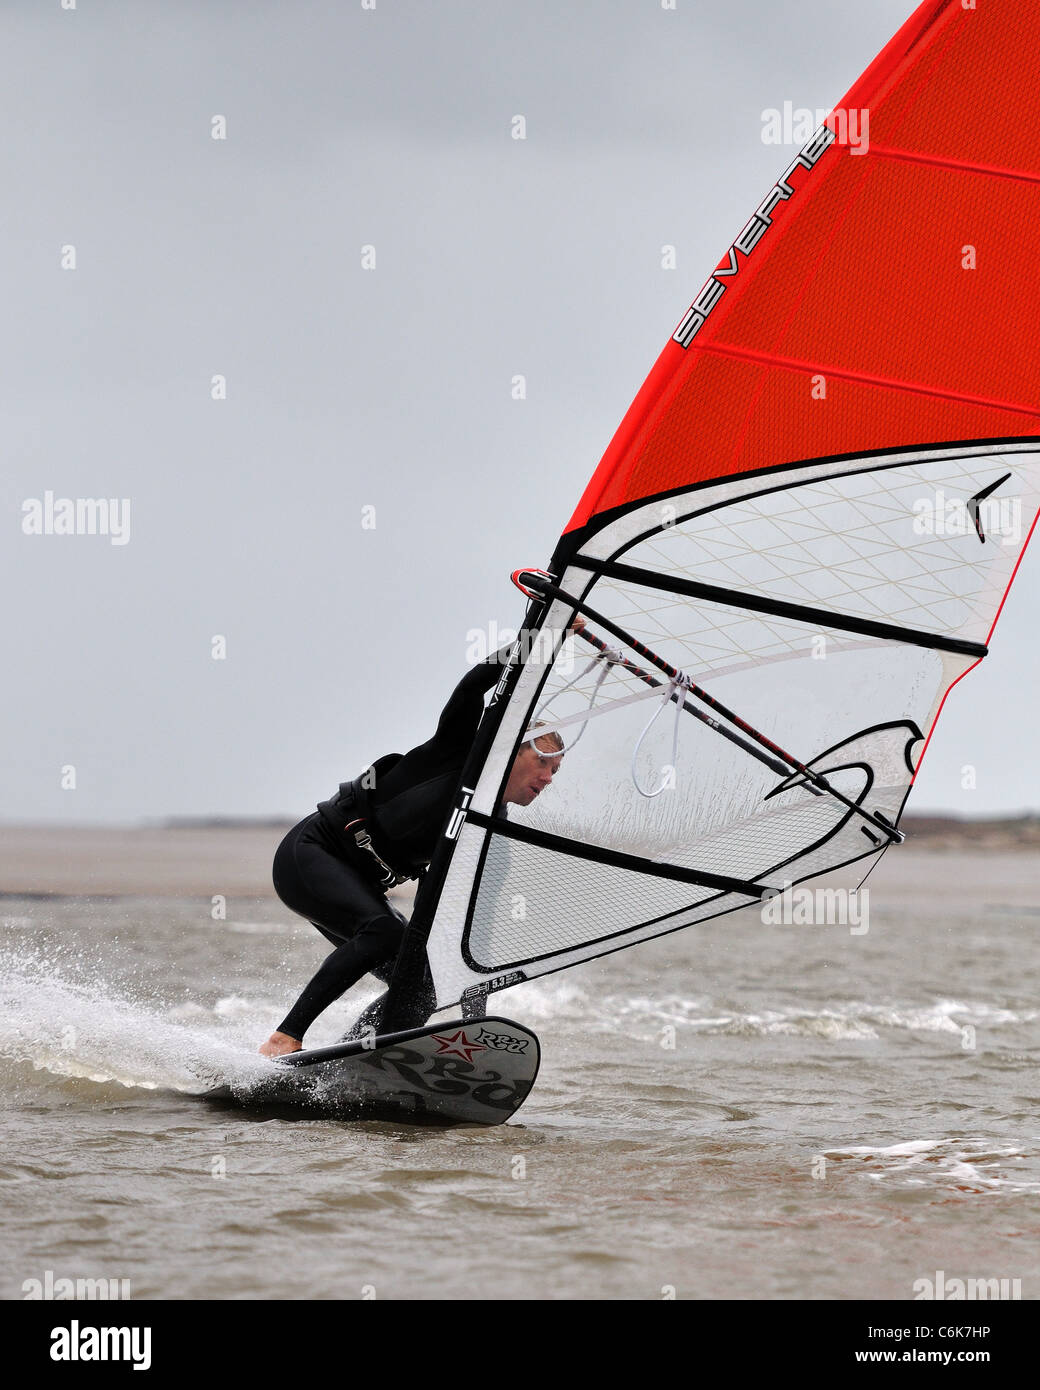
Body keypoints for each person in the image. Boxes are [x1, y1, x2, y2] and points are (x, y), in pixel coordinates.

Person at [258, 634, 573, 1058]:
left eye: (556, 770)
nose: (549, 778)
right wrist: (544, 635)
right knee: (384, 932)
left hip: (361, 883)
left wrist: (472, 1022)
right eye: (542, 763)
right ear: (510, 752)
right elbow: (473, 685)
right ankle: (284, 1037)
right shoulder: (457, 753)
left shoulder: (487, 831)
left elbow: (474, 926)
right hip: (313, 853)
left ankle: (355, 1059)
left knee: (422, 984)